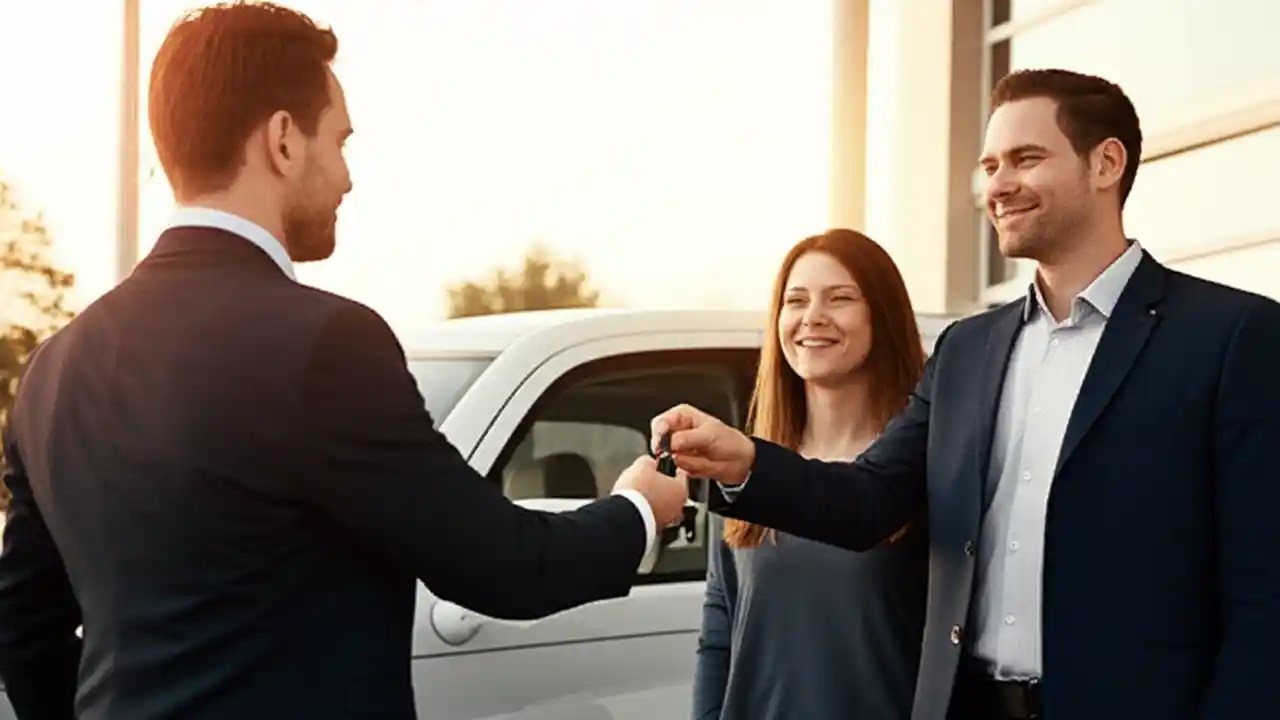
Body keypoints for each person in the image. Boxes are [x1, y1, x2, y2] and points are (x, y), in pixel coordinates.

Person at [0, 4, 686, 719]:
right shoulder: (325, 344)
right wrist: (638, 507)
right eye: (341, 139)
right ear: (284, 140)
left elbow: (24, 631)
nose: (347, 177)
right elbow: (504, 566)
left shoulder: (54, 367)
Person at [654, 68, 1280, 720]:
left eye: (1025, 159)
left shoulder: (1231, 338)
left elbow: (1266, 598)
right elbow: (868, 501)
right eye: (990, 165)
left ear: (1106, 164)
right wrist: (747, 461)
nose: (998, 185)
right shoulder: (967, 350)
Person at [691, 229, 928, 720]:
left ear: (882, 319)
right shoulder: (749, 474)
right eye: (795, 300)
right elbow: (718, 637)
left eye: (840, 298)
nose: (812, 317)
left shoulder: (922, 469)